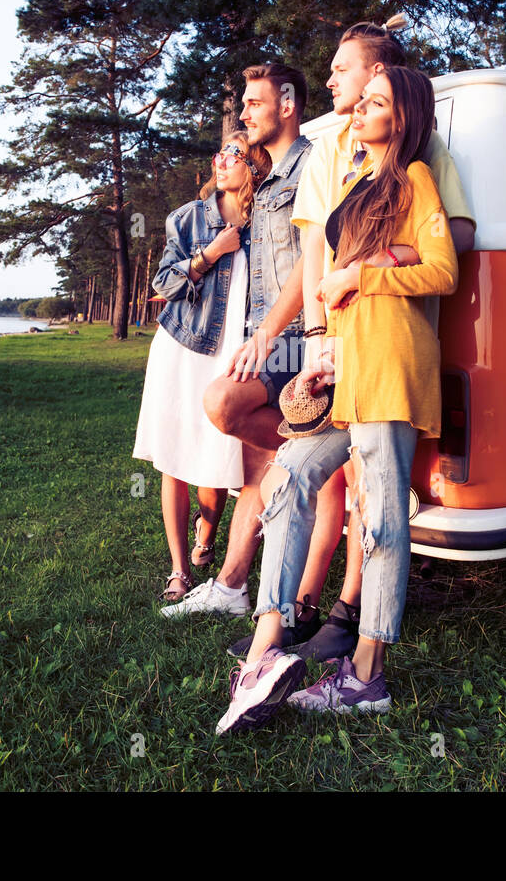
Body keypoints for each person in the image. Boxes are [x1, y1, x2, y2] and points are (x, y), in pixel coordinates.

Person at [219, 17, 477, 662]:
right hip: (341, 356)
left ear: (390, 94)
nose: (341, 89)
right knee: (291, 477)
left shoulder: (420, 167)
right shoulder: (346, 162)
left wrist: (372, 266)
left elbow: (446, 256)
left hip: (390, 358)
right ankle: (270, 639)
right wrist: (316, 337)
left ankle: (365, 658)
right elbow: (319, 254)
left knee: (380, 509)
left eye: (356, 82)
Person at [160, 62, 347, 623]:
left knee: (240, 421)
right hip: (262, 337)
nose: (243, 114)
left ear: (286, 104)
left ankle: (274, 589)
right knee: (240, 437)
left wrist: (269, 334)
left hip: (295, 336)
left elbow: (310, 262)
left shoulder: (314, 164)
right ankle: (234, 585)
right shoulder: (264, 179)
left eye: (255, 103)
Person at [134, 132, 271, 603]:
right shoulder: (188, 218)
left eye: (234, 154)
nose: (221, 160)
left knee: (215, 460)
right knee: (173, 458)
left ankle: (207, 535)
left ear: (254, 167)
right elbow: (163, 282)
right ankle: (177, 572)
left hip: (230, 354)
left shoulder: (266, 222)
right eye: (220, 153)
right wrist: (211, 253)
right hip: (182, 347)